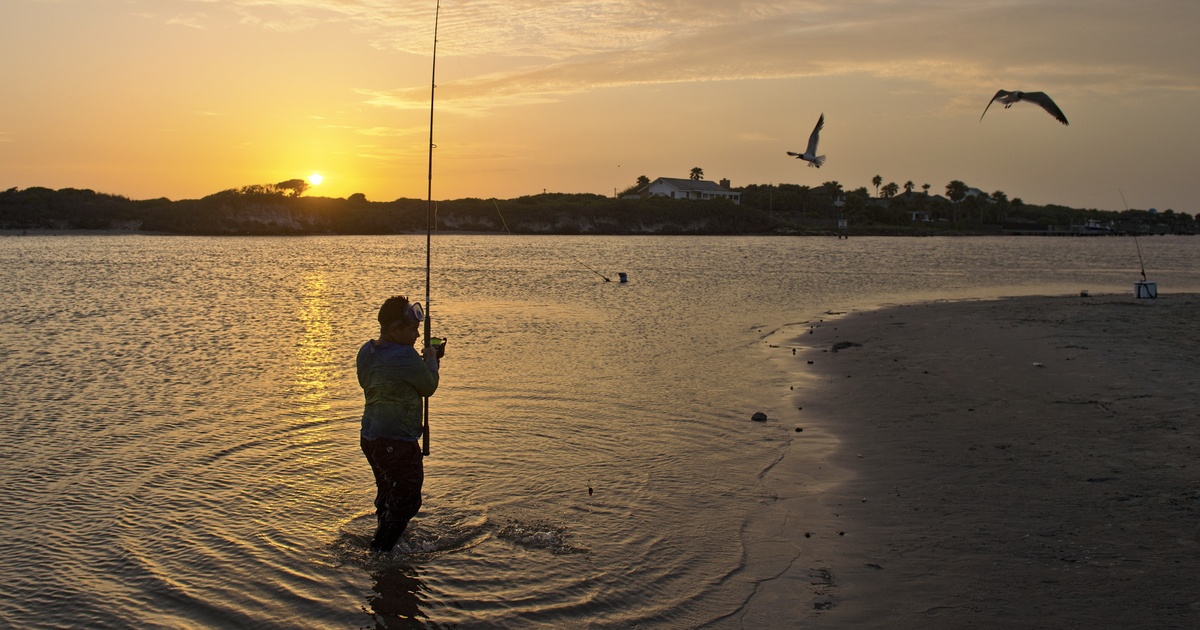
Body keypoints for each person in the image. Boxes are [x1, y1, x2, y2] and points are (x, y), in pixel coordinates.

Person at [357, 295, 441, 552]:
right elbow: (428, 386)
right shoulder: (406, 356)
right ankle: (381, 551)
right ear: (394, 329)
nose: (417, 335)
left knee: (387, 492)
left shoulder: (366, 350)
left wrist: (421, 363)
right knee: (407, 501)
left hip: (370, 438)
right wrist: (432, 361)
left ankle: (384, 534)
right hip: (398, 442)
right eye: (412, 329)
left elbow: (367, 382)